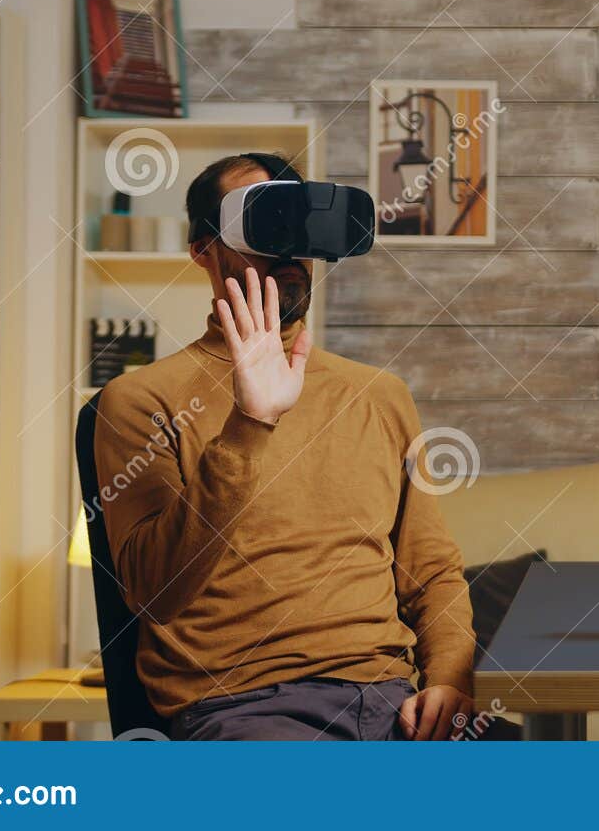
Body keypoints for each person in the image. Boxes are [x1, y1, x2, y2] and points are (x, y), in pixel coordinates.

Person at [93, 153, 475, 740]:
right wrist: (250, 422)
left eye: (300, 223)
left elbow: (433, 575)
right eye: (264, 224)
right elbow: (153, 593)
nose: (288, 250)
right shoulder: (140, 399)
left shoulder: (380, 395)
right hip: (246, 710)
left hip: (392, 702)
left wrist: (450, 679)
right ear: (203, 250)